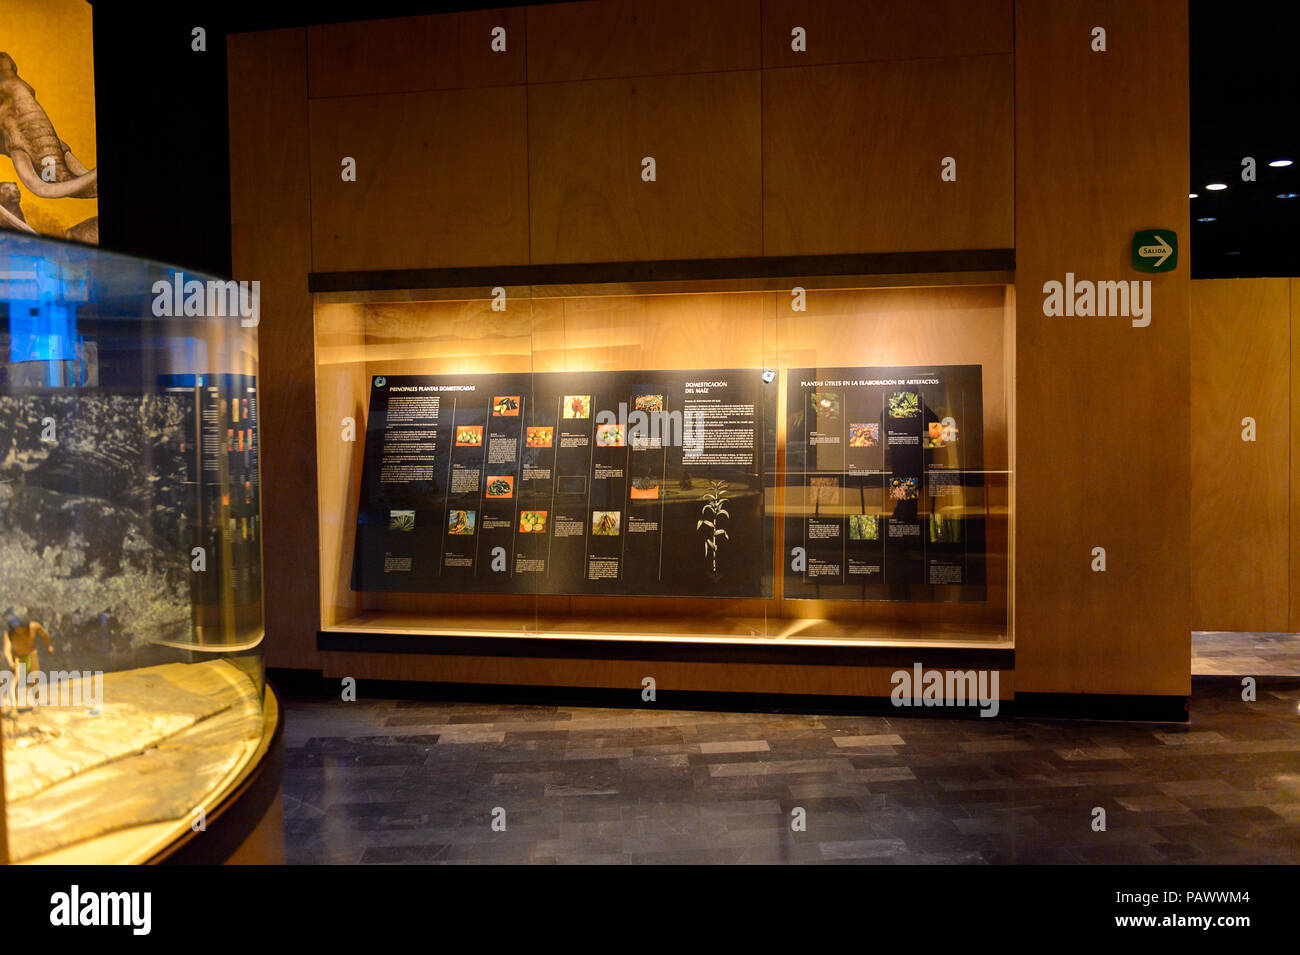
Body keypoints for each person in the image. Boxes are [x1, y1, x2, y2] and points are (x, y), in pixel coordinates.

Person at [2, 615, 54, 716]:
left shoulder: (34, 626)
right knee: (13, 684)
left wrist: (48, 646)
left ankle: (36, 703)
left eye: (21, 628)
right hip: (18, 657)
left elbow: (45, 634)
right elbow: (6, 650)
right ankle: (14, 708)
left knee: (34, 680)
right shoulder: (9, 634)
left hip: (31, 654)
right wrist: (10, 662)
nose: (19, 631)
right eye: (16, 629)